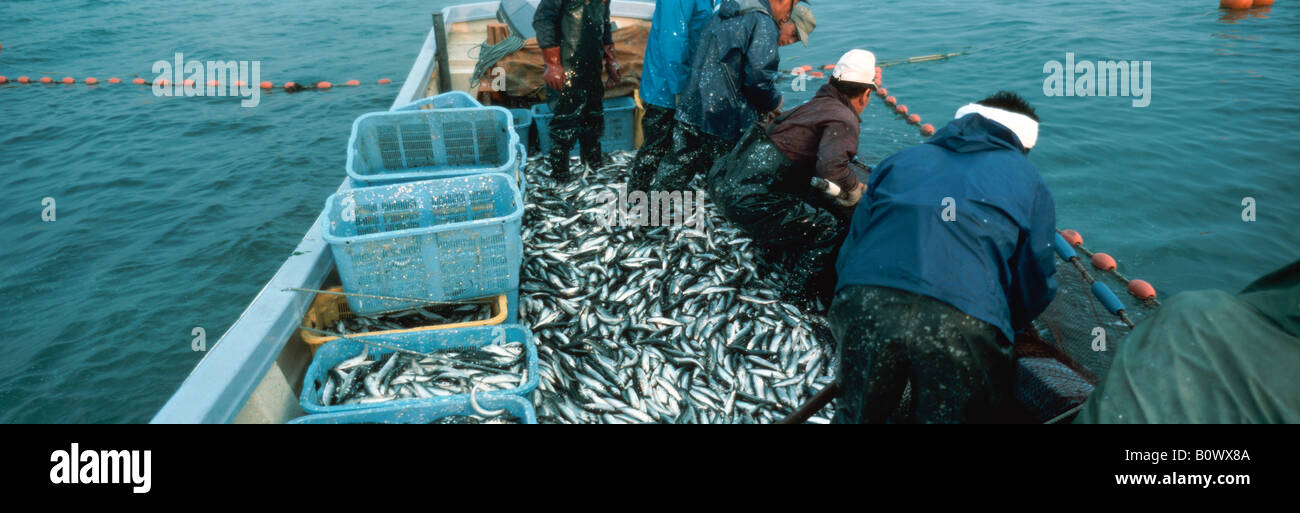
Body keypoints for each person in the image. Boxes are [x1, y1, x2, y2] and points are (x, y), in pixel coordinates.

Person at [830, 91, 1058, 424]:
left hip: (863, 298)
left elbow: (853, 245)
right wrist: (1008, 324)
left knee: (857, 415)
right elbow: (1035, 279)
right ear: (1022, 144)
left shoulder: (901, 160)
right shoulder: (1030, 182)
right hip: (964, 318)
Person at [706, 49, 876, 303]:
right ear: (866, 94)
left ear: (831, 83)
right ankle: (796, 301)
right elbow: (831, 169)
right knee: (828, 230)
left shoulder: (812, 106)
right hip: (745, 202)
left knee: (807, 203)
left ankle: (775, 255)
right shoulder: (843, 118)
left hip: (723, 183)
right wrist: (854, 192)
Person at [647, 0, 813, 193]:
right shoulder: (763, 22)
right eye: (793, 33)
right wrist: (774, 101)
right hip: (722, 117)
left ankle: (649, 218)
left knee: (674, 170)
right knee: (728, 179)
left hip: (693, 108)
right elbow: (758, 79)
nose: (785, 16)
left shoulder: (728, 10)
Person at [625, 0, 719, 192]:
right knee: (657, 146)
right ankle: (637, 198)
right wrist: (679, 89)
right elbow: (672, 40)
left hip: (687, 83)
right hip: (665, 88)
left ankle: (653, 196)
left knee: (679, 146)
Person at [533, 0, 622, 182]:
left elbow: (604, 24)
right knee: (564, 124)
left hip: (592, 68)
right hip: (566, 69)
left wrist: (611, 61)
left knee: (594, 119)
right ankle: (561, 177)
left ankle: (593, 168)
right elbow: (543, 20)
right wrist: (553, 64)